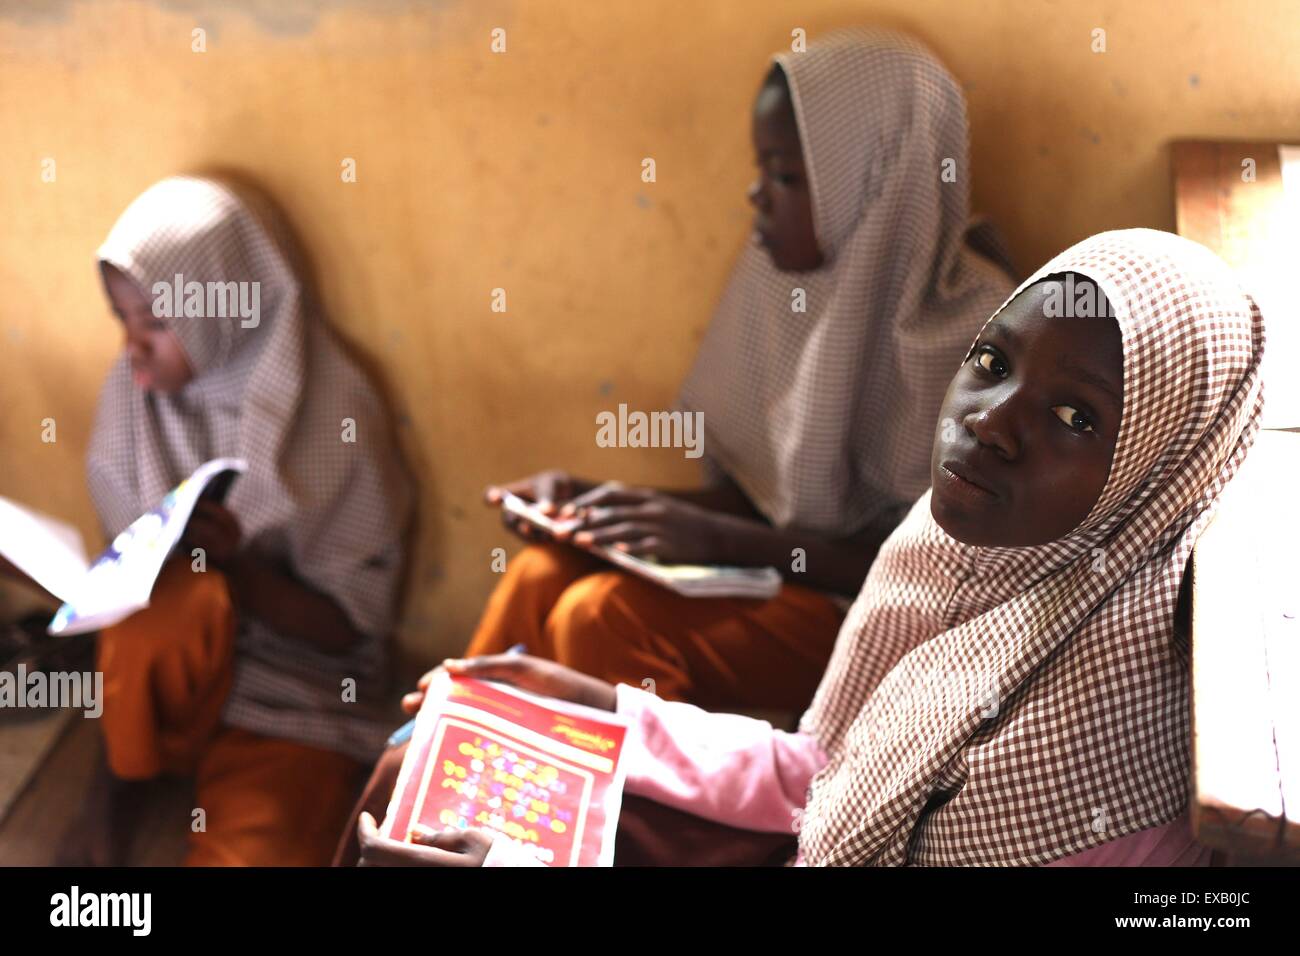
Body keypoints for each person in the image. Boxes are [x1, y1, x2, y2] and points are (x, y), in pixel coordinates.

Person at [352, 228, 1262, 866]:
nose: (992, 423)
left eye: (1075, 417)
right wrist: (595, 706)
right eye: (992, 363)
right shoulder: (971, 551)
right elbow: (829, 770)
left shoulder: (1092, 759)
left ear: (1154, 462)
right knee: (433, 751)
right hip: (816, 835)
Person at [469, 28, 1017, 710]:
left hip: (890, 621)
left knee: (601, 614)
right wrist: (594, 503)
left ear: (874, 172)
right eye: (763, 171)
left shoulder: (978, 334)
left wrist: (718, 539)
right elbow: (772, 502)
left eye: (787, 177)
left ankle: (644, 816)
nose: (758, 198)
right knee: (539, 572)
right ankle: (442, 780)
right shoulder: (784, 290)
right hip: (780, 574)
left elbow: (937, 575)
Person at [64, 175, 413, 866]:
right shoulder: (133, 397)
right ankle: (120, 784)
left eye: (157, 323)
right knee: (155, 614)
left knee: (259, 851)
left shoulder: (331, 413)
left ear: (227, 307)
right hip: (184, 666)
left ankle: (229, 780)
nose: (134, 346)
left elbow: (350, 626)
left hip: (299, 680)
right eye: (122, 319)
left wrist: (238, 574)